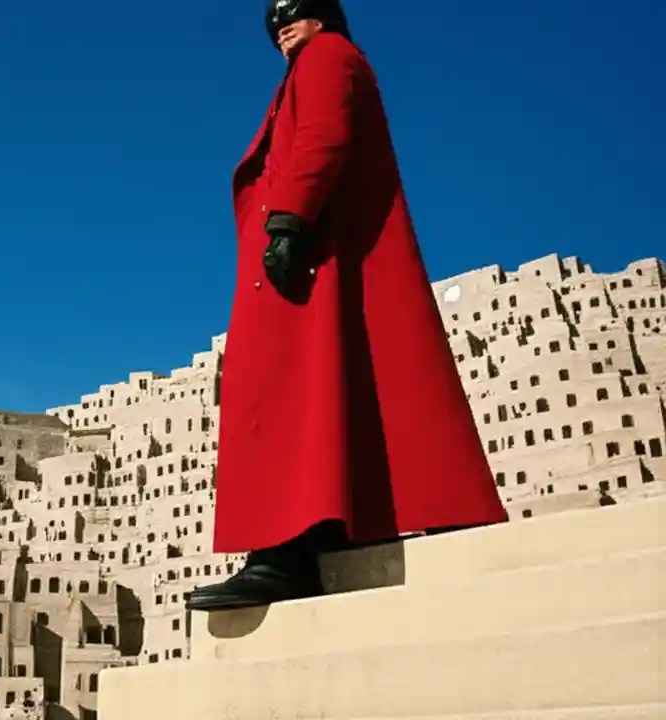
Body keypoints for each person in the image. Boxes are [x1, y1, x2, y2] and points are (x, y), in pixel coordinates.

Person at [185, 0, 508, 611]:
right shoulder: (315, 65)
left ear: (326, 14)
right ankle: (313, 539)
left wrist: (289, 220)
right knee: (323, 398)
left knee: (287, 395)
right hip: (313, 260)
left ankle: (284, 549)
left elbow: (323, 135)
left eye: (294, 9)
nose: (280, 23)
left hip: (309, 263)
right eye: (270, 18)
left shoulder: (329, 55)